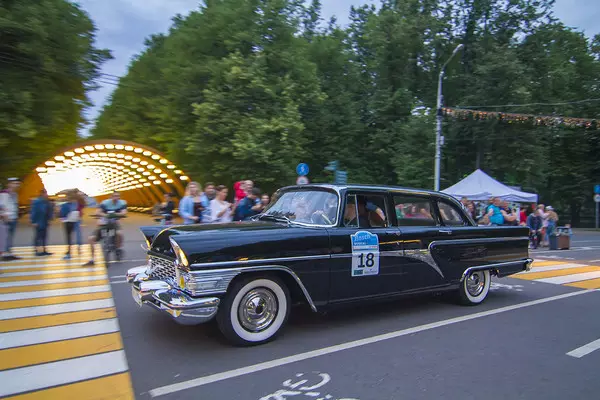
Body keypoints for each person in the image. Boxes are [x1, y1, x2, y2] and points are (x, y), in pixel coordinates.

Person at [83, 191, 127, 266]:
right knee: (91, 238)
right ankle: (92, 259)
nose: (116, 198)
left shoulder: (122, 203)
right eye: (114, 196)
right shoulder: (105, 203)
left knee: (119, 234)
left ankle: (118, 248)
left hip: (114, 223)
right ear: (111, 197)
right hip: (103, 224)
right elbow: (98, 212)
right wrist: (106, 215)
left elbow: (123, 213)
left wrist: (114, 215)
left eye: (118, 196)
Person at [0, 178, 22, 260]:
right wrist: (4, 215)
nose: (17, 185)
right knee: (5, 237)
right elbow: (1, 206)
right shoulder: (4, 193)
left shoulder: (15, 194)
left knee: (10, 237)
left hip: (13, 218)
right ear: (9, 184)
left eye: (18, 183)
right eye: (14, 183)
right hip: (6, 219)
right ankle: (4, 255)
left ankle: (9, 253)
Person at [30, 189, 54, 256]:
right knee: (38, 236)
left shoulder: (47, 202)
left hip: (45, 221)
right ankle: (36, 250)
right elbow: (33, 211)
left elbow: (49, 211)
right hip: (38, 221)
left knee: (44, 236)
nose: (47, 195)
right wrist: (33, 221)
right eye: (46, 193)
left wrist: (50, 219)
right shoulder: (37, 201)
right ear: (42, 194)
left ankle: (44, 250)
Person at [60, 190, 81, 260]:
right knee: (75, 235)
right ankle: (77, 248)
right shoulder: (75, 204)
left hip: (68, 222)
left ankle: (69, 253)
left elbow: (62, 214)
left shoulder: (65, 205)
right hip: (74, 221)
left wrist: (62, 217)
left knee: (68, 237)